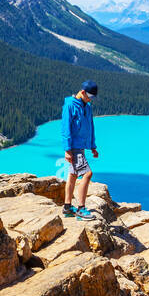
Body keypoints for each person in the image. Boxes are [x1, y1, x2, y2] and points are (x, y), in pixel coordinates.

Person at [60, 80, 99, 219]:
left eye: (92, 98)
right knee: (88, 174)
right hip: (74, 148)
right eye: (89, 97)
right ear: (82, 92)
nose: (90, 100)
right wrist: (67, 149)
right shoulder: (70, 105)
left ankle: (67, 207)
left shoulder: (87, 107)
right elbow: (65, 128)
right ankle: (81, 209)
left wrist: (93, 146)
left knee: (73, 175)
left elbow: (91, 126)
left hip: (81, 147)